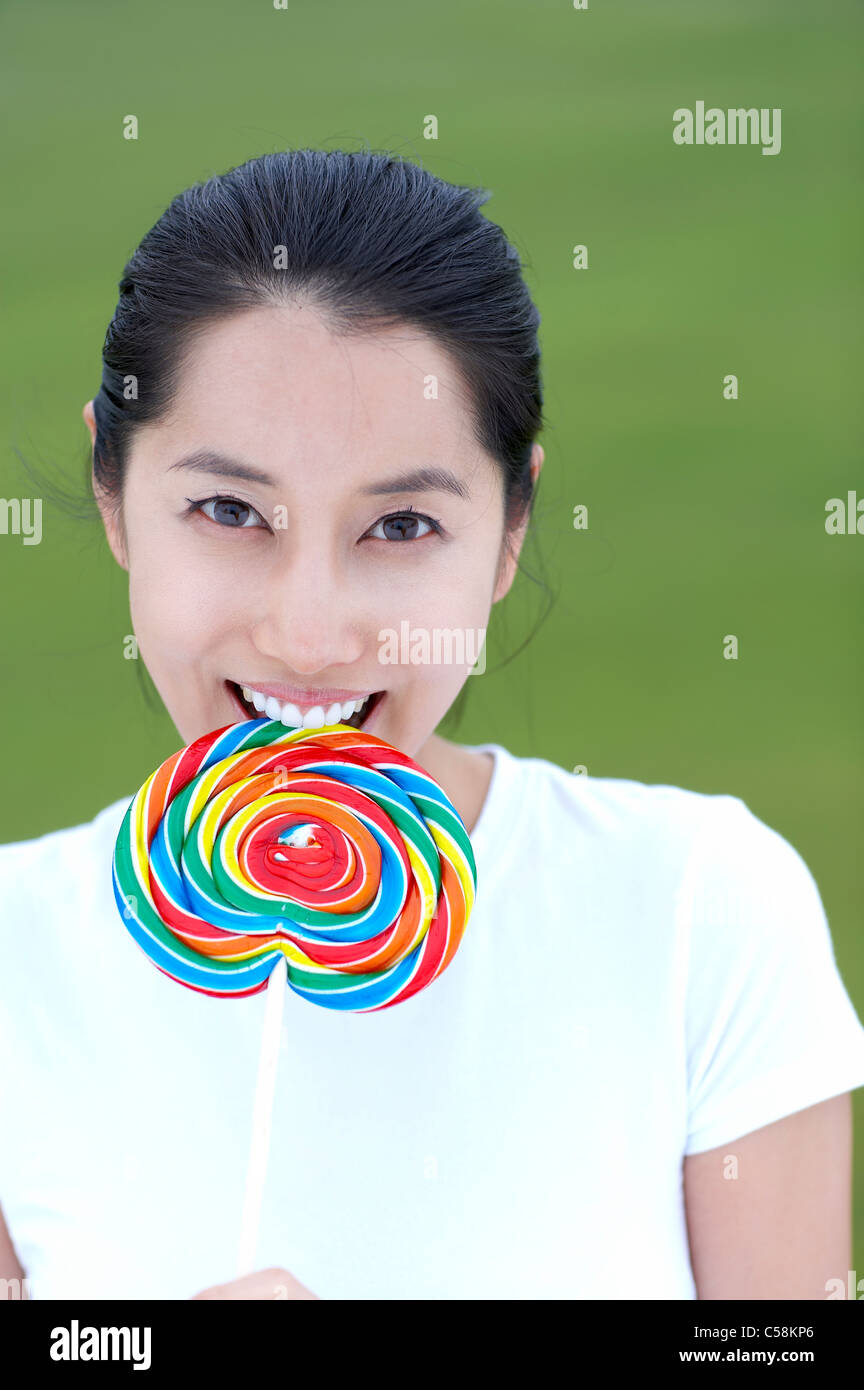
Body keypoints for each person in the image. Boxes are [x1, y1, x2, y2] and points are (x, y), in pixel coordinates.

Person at [2, 149, 864, 1301]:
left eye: (401, 525)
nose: (310, 636)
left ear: (509, 531)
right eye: (228, 510)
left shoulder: (705, 910)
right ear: (114, 498)